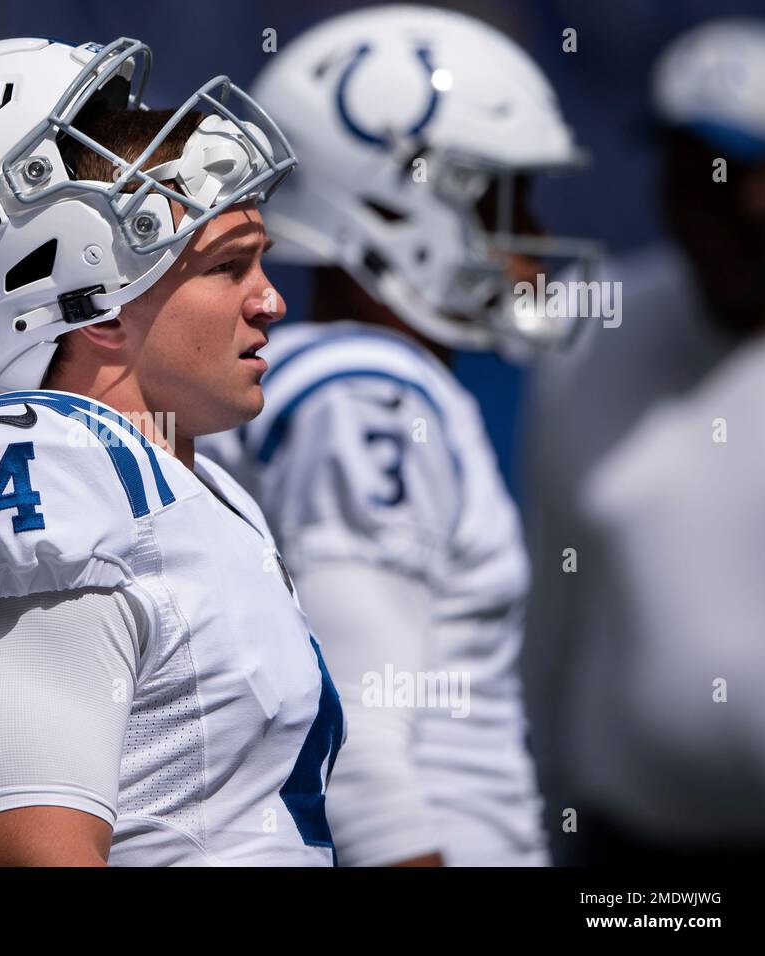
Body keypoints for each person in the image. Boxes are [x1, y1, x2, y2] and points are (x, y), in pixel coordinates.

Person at [0, 36, 344, 866]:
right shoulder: (48, 462)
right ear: (99, 303)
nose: (271, 300)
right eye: (230, 267)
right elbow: (38, 851)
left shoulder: (194, 486)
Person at [199, 7, 598, 866]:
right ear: (399, 196)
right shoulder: (370, 396)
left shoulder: (326, 384)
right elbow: (362, 753)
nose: (528, 242)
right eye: (501, 200)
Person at [522, 18, 765, 863]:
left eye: (748, 173)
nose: (726, 203)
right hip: (622, 853)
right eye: (696, 170)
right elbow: (548, 600)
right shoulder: (587, 325)